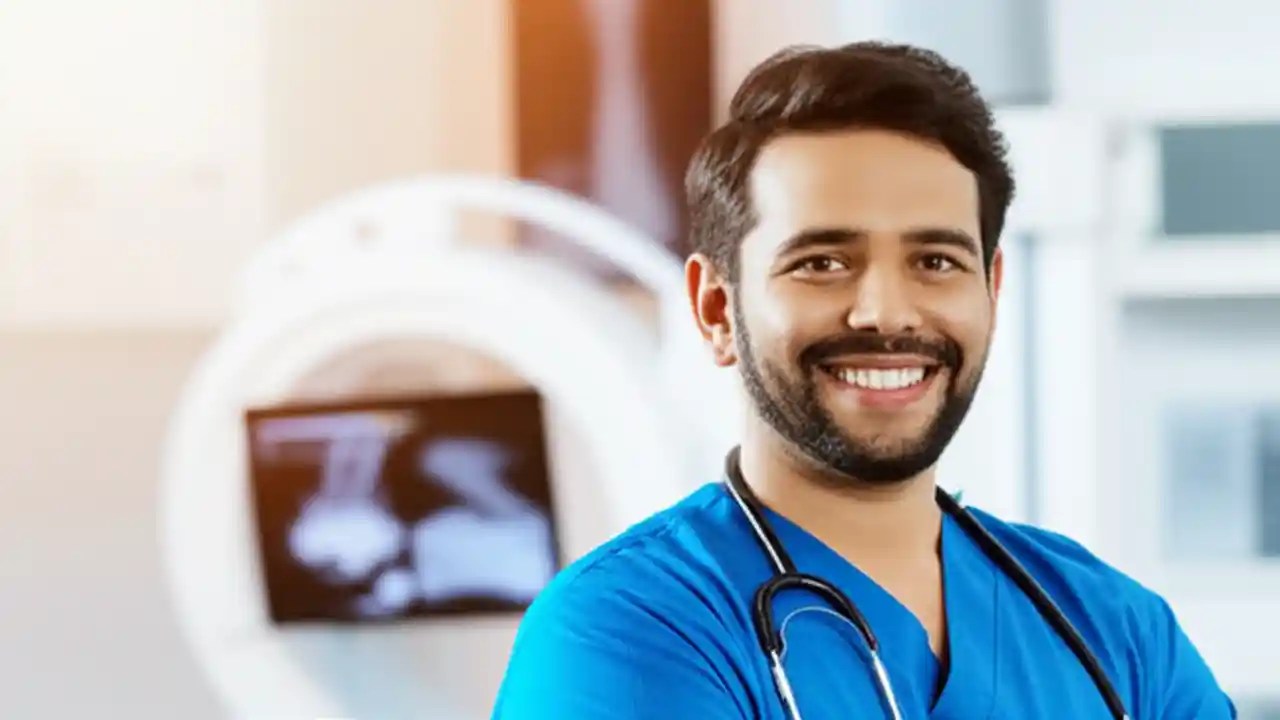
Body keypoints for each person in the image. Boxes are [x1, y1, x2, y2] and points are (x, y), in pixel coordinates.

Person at [491, 42, 1236, 718]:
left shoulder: (1112, 632)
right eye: (821, 262)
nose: (885, 311)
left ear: (991, 291)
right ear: (717, 308)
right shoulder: (625, 629)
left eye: (936, 262)